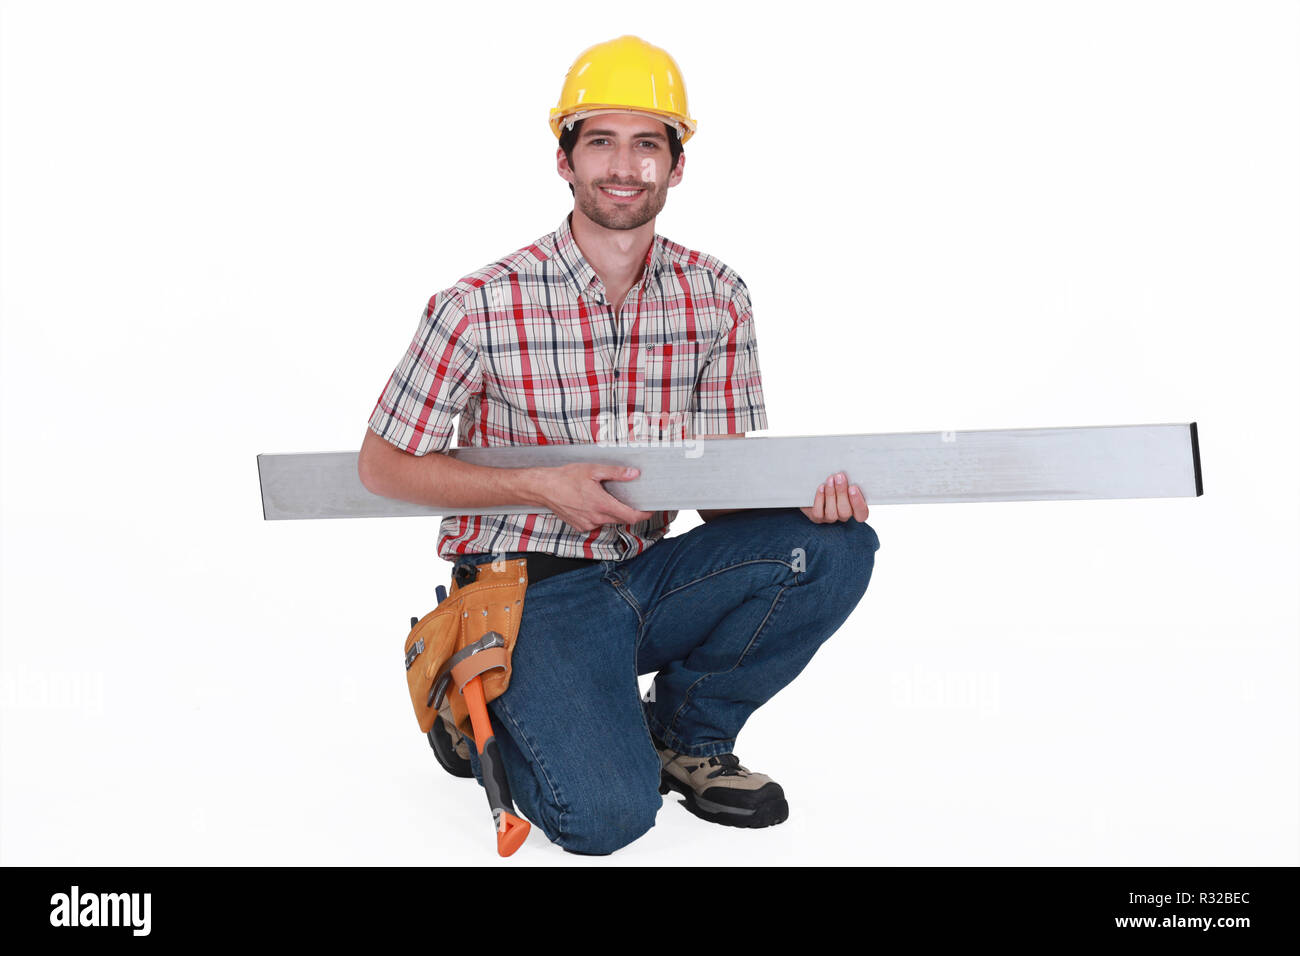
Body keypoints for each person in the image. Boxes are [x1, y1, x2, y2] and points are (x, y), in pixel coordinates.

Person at [358, 34, 880, 855]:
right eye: (600, 141)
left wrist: (804, 509)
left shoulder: (717, 296)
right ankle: (474, 702)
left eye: (647, 145)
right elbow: (381, 466)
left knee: (836, 548)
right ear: (564, 160)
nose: (623, 167)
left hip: (643, 578)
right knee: (606, 818)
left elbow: (722, 492)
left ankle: (683, 735)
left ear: (677, 165)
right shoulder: (477, 306)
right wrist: (543, 487)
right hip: (526, 593)